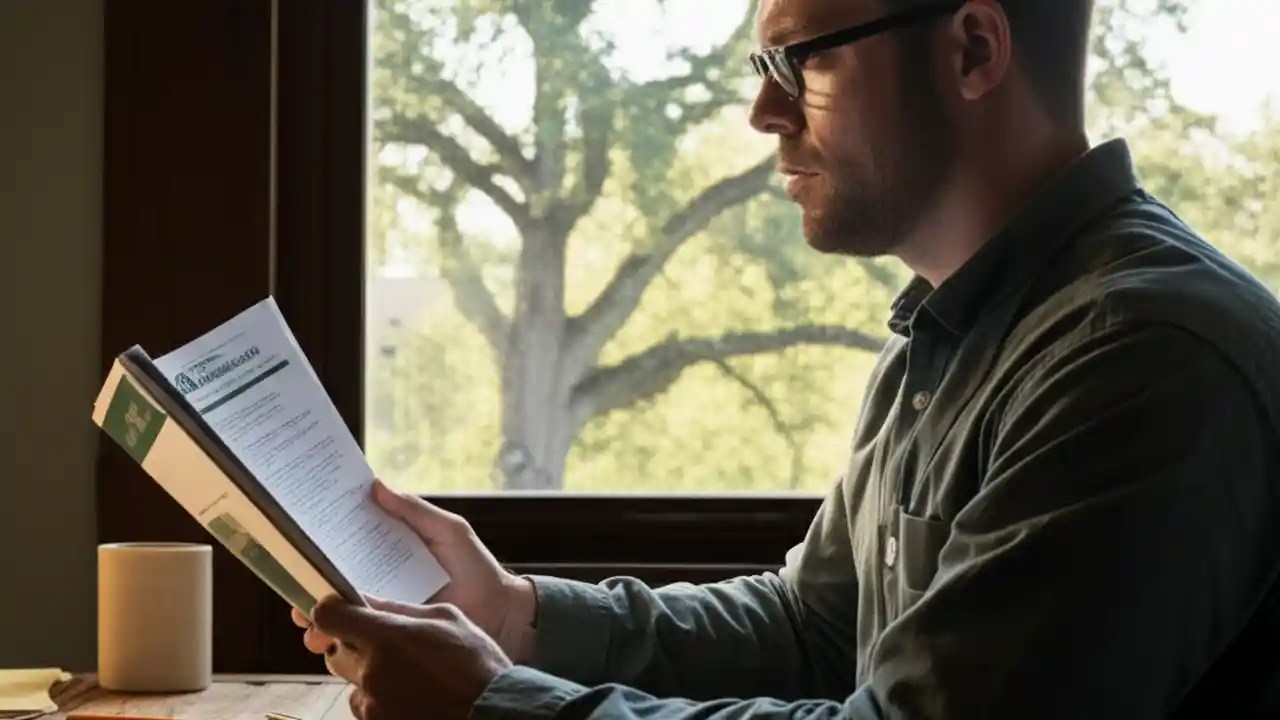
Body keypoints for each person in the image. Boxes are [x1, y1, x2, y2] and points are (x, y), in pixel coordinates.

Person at [294, 0, 1280, 717]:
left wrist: (498, 706)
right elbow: (815, 636)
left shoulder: (1140, 360)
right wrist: (518, 617)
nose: (763, 115)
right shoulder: (951, 332)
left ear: (972, 48)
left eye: (797, 60)